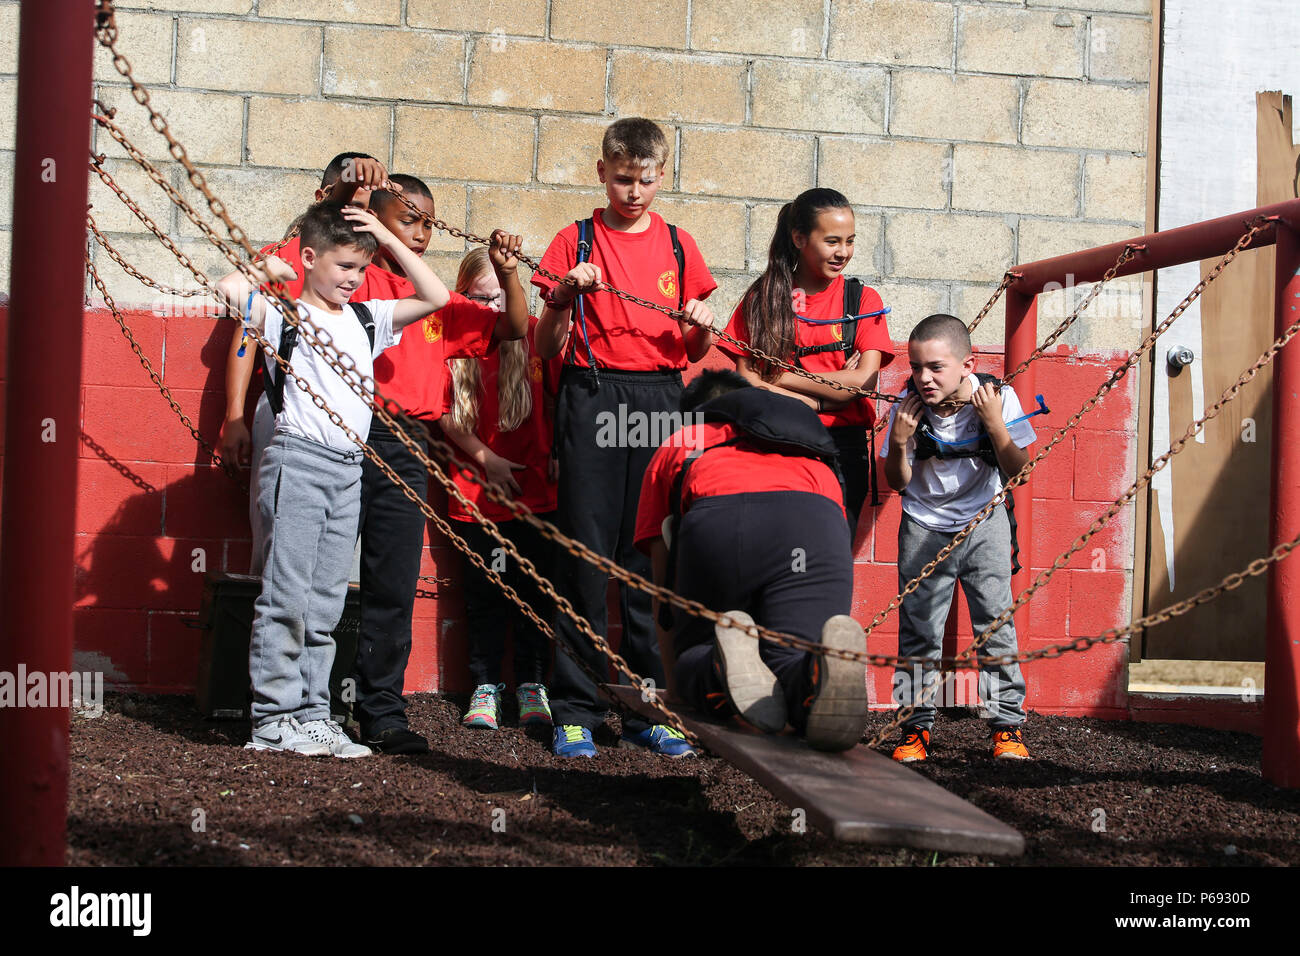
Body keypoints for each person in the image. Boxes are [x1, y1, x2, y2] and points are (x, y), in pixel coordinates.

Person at [213, 201, 453, 757]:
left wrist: (387, 242)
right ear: (310, 258)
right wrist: (268, 270)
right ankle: (274, 719)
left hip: (349, 470)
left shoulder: (369, 320)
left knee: (324, 603)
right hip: (297, 460)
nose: (352, 278)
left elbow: (437, 298)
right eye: (342, 265)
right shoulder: (282, 315)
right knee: (286, 597)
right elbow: (228, 288)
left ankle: (314, 714)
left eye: (360, 268)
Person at [531, 117, 718, 758]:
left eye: (644, 179)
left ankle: (649, 707)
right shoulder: (574, 239)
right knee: (585, 554)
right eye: (622, 179)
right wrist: (562, 295)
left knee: (647, 556)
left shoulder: (677, 245)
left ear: (661, 176)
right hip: (591, 391)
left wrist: (703, 325)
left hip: (659, 397)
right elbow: (543, 346)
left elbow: (694, 351)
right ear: (602, 173)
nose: (633, 191)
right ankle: (576, 708)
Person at [352, 179, 529, 755]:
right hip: (341, 426)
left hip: (405, 439)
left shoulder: (433, 298)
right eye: (408, 220)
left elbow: (512, 329)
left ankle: (381, 710)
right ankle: (307, 704)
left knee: (392, 579)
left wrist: (506, 274)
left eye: (429, 222)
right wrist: (352, 208)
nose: (422, 233)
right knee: (319, 574)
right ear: (374, 219)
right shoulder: (352, 273)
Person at [634, 370, 867, 750]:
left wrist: (677, 688)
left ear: (695, 414)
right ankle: (813, 674)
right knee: (792, 658)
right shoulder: (807, 445)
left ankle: (715, 669)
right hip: (817, 520)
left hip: (722, 518)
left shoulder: (685, 440)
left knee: (696, 653)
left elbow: (664, 591)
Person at [219, 151, 388, 574]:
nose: (355, 216)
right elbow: (247, 337)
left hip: (348, 426)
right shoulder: (292, 256)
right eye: (348, 203)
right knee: (277, 549)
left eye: (364, 210)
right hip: (290, 414)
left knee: (332, 557)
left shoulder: (366, 265)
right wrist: (235, 415)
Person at [880, 314, 1035, 763]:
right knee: (919, 632)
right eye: (915, 367)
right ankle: (914, 727)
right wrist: (902, 441)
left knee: (994, 627)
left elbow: (1019, 471)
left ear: (968, 364)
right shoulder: (907, 408)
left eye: (936, 367)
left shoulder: (998, 398)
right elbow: (897, 481)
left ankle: (1007, 726)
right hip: (923, 524)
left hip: (984, 522)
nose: (923, 378)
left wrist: (994, 425)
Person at [718, 187, 893, 534]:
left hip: (843, 449)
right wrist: (822, 395)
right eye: (832, 241)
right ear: (799, 238)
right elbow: (747, 381)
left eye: (850, 240)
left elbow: (862, 384)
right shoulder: (764, 297)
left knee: (831, 557)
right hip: (778, 441)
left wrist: (778, 377)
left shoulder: (862, 300)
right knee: (778, 552)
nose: (843, 252)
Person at [441, 248, 561, 731]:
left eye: (499, 298)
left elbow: (560, 394)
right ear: (462, 295)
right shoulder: (453, 336)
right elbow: (444, 411)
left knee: (535, 592)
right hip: (475, 490)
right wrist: (486, 460)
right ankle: (485, 686)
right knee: (485, 593)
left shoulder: (534, 335)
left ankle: (533, 685)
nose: (491, 309)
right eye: (478, 298)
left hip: (536, 491)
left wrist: (559, 452)